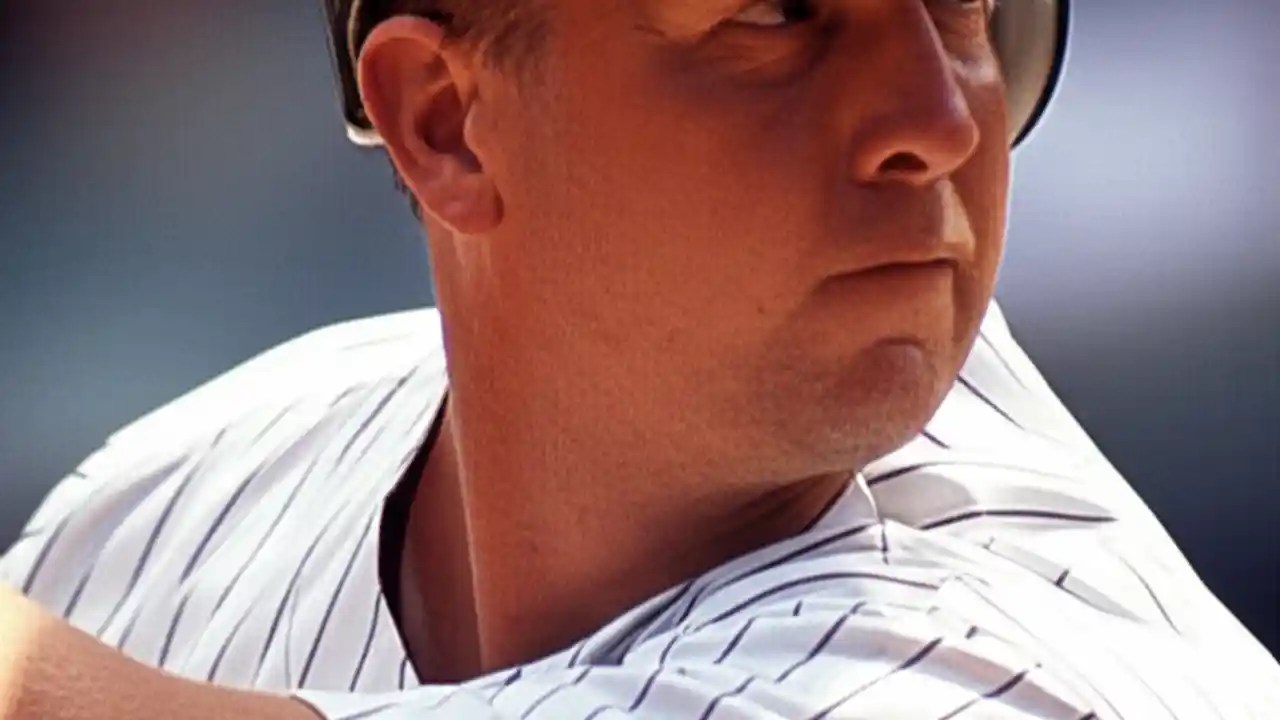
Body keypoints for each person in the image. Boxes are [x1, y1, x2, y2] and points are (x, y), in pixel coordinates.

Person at [1, 0, 1276, 717]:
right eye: (779, 14)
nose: (939, 122)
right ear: (444, 124)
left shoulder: (988, 664)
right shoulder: (177, 498)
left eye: (957, 4)